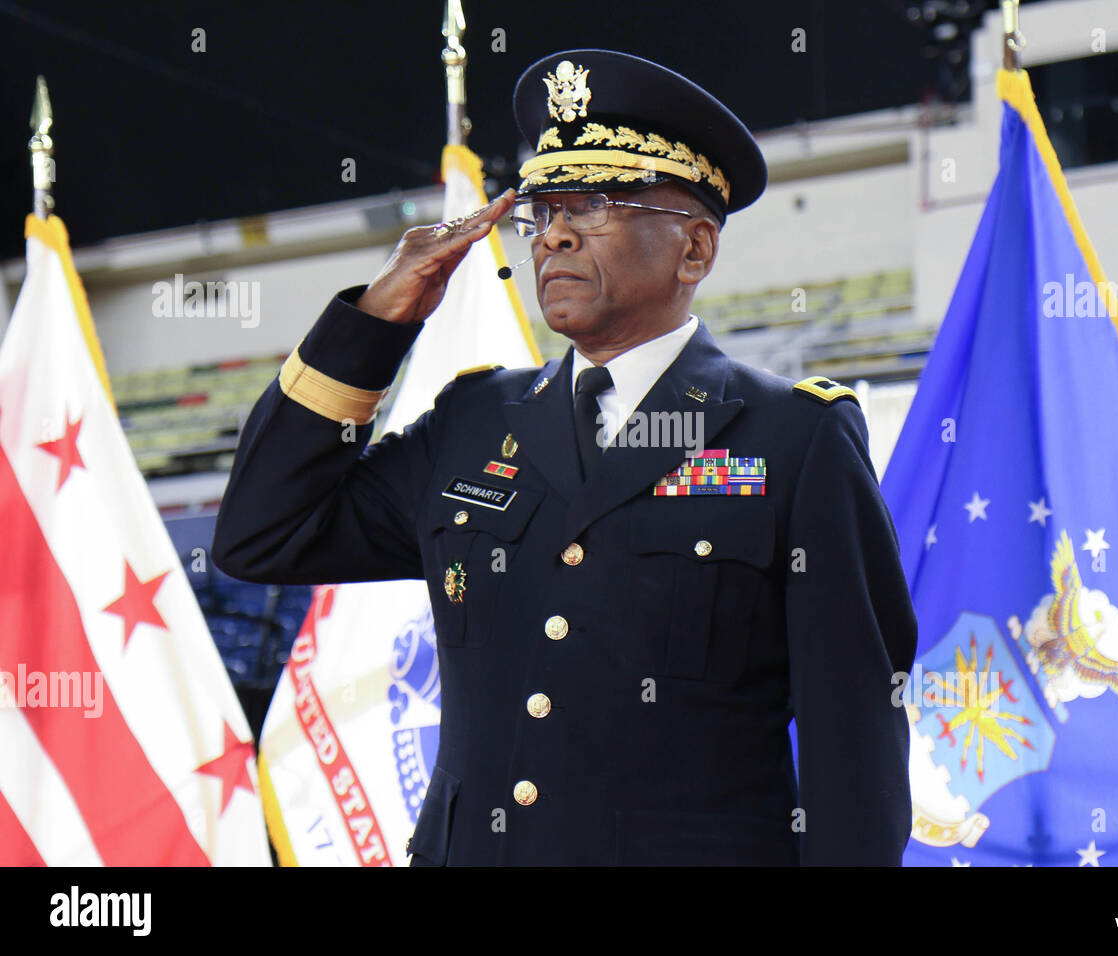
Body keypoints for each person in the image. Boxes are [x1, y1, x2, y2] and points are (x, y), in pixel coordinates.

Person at [212, 48, 916, 866]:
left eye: (596, 204)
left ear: (694, 250)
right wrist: (372, 326)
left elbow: (852, 737)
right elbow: (262, 534)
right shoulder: (475, 421)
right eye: (542, 211)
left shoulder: (792, 439)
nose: (556, 233)